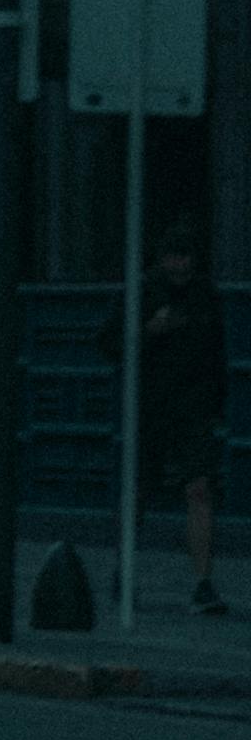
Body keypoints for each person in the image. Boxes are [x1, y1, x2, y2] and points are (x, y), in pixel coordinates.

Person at [137, 231, 230, 619]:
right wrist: (147, 332)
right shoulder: (143, 290)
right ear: (162, 259)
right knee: (139, 489)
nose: (181, 266)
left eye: (187, 257)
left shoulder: (203, 294)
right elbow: (109, 342)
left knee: (199, 487)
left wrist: (215, 405)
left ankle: (202, 582)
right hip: (150, 404)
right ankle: (125, 566)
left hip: (193, 407)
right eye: (174, 257)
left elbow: (216, 351)